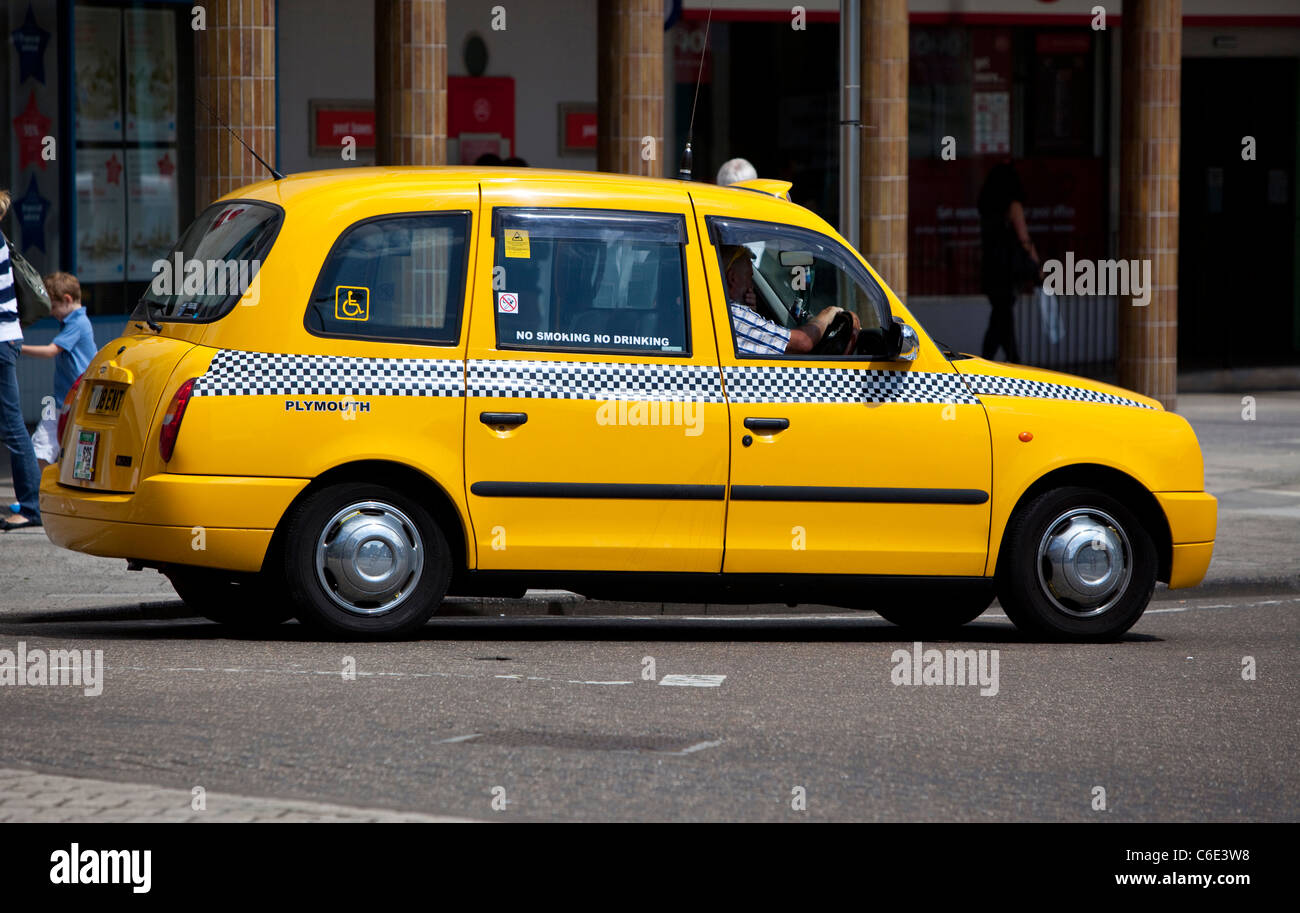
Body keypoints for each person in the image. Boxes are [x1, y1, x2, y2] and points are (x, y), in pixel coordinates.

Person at [22, 272, 98, 469]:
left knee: (48, 445)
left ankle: (37, 493)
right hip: (64, 400)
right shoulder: (73, 323)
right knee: (43, 444)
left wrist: (18, 347)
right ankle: (38, 492)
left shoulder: (77, 323)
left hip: (74, 401)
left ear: (67, 299)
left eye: (53, 307)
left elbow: (51, 351)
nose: (51, 312)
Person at [721, 245, 854, 356]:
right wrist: (829, 313)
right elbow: (803, 341)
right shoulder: (734, 314)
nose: (751, 285)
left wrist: (752, 313)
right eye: (750, 277)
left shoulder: (725, 314)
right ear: (733, 278)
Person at [0, 189, 42, 530]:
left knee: (13, 426)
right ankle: (31, 503)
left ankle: (31, 506)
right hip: (7, 338)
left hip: (0, 342)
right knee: (12, 425)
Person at [977, 160, 1039, 363]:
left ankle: (1009, 359)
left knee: (1001, 317)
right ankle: (1004, 361)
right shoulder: (1013, 206)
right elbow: (1024, 238)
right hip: (1008, 272)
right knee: (1002, 318)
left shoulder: (987, 206)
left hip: (991, 268)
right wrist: (1036, 264)